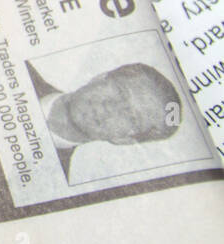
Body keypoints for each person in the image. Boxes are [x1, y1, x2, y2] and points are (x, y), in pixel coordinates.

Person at [25, 61, 181, 180]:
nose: (112, 108)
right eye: (120, 91)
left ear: (123, 140)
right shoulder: (19, 68)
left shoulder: (48, 182)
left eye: (131, 118)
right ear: (100, 77)